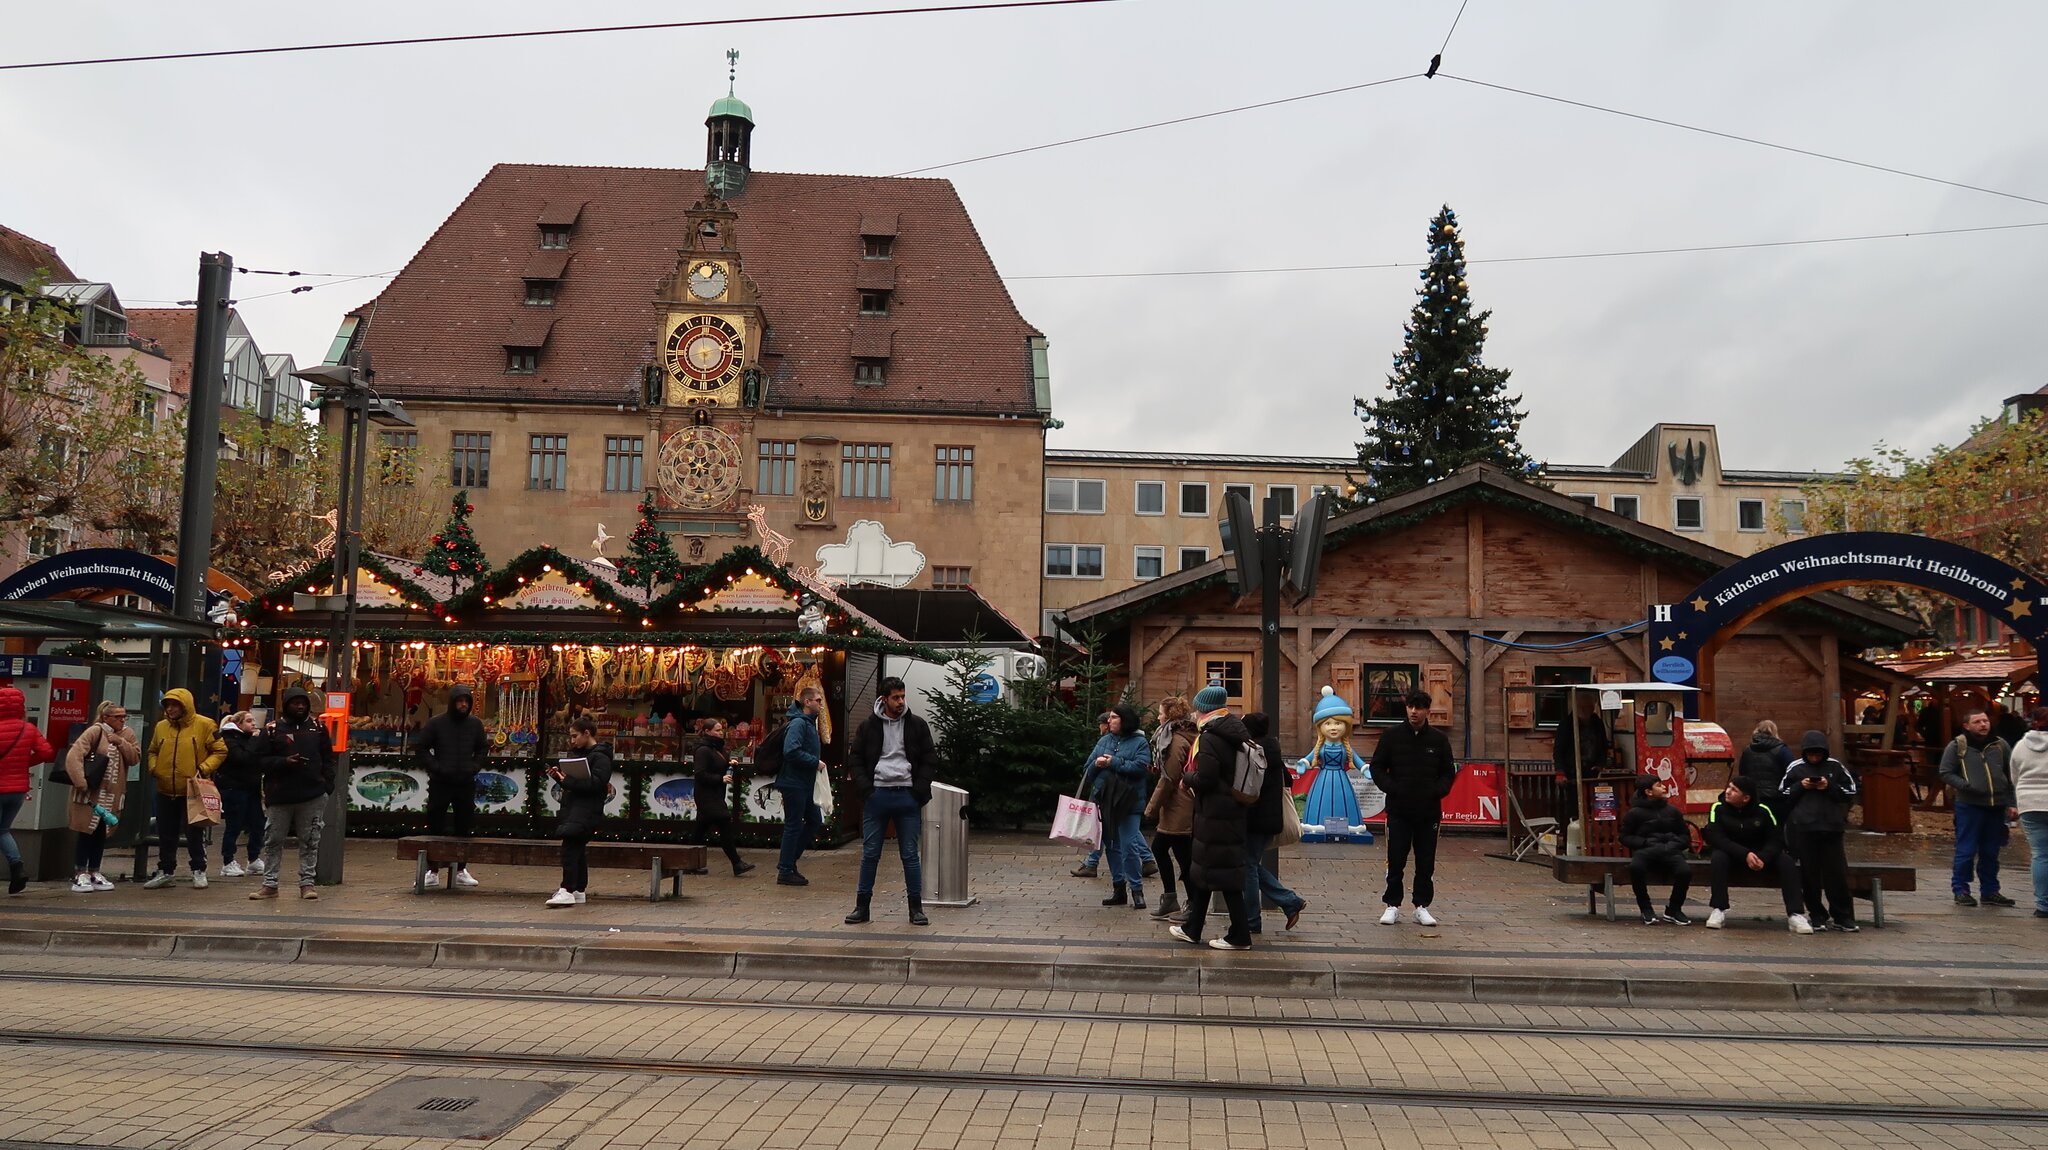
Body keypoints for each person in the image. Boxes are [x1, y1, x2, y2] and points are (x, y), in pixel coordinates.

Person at [844, 676, 940, 926]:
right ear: (883, 699)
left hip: (907, 795)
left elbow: (929, 758)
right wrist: (867, 790)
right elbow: (855, 758)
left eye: (902, 696)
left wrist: (917, 791)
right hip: (877, 795)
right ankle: (862, 907)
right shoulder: (868, 726)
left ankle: (916, 908)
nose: (900, 702)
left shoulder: (916, 725)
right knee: (870, 853)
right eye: (895, 697)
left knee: (910, 854)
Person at [1169, 684, 1254, 950]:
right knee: (1205, 871)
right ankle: (1193, 928)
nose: (1195, 714)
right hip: (1227, 813)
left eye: (1197, 709)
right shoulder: (1233, 731)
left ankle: (1240, 935)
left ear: (1205, 709)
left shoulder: (1210, 737)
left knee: (1225, 877)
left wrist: (1187, 778)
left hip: (1216, 814)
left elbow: (1206, 778)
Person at [1367, 688, 1457, 926]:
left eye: (1419, 708)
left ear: (1428, 711)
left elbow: (1448, 772)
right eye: (1410, 707)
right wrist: (1392, 788)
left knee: (1425, 861)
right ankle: (1392, 904)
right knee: (1396, 859)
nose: (1414, 712)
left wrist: (1436, 791)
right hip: (1399, 810)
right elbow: (1377, 767)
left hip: (1428, 811)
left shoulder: (1438, 739)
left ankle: (1421, 906)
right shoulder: (1391, 736)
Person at [249, 687, 335, 900]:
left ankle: (307, 883)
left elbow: (328, 758)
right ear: (286, 704)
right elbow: (259, 761)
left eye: (303, 702)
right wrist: (283, 762)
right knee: (273, 839)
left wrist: (326, 786)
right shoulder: (272, 729)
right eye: (295, 703)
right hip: (280, 795)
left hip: (312, 794)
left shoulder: (318, 728)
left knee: (310, 840)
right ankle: (270, 884)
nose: (300, 706)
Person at [1702, 777, 1810, 933]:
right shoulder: (1718, 808)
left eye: (1734, 790)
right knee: (1718, 858)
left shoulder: (1763, 810)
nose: (1728, 792)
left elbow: (1776, 839)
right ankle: (1719, 909)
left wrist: (1763, 857)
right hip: (1733, 853)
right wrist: (1745, 854)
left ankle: (1795, 914)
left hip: (1760, 855)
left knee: (1786, 862)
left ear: (1746, 798)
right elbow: (1716, 837)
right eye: (1729, 787)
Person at [142, 688, 225, 890]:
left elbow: (220, 750)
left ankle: (199, 869)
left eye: (174, 705)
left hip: (192, 789)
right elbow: (152, 750)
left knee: (194, 831)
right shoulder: (161, 727)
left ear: (185, 706)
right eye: (167, 705)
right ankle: (166, 870)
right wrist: (155, 768)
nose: (170, 709)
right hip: (165, 788)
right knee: (166, 833)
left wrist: (203, 768)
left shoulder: (205, 724)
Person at [1939, 706, 2018, 908]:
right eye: (1977, 722)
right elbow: (1945, 772)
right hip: (1969, 805)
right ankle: (1961, 890)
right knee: (1966, 850)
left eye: (1985, 721)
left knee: (1991, 851)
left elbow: (2011, 775)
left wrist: (2012, 803)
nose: (1983, 725)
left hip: (1996, 805)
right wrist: (1966, 786)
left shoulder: (2000, 745)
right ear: (1966, 725)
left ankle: (1990, 891)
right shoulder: (1957, 746)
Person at [1781, 729, 1859, 931]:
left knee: (1837, 874)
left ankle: (1843, 915)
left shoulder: (1835, 766)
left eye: (1818, 754)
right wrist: (1801, 786)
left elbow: (1850, 791)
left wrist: (1829, 786)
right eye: (1810, 754)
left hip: (1831, 828)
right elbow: (1783, 792)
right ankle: (1816, 914)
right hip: (1804, 828)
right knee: (1809, 876)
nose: (1814, 758)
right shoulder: (1796, 767)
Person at [1080, 704, 1152, 909]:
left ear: (1125, 720)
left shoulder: (1139, 742)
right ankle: (1118, 888)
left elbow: (1141, 768)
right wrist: (1096, 764)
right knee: (1112, 846)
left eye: (1114, 717)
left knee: (1129, 846)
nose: (1109, 721)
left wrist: (1114, 762)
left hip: (1129, 802)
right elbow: (1087, 770)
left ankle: (1137, 890)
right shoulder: (1104, 740)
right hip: (1105, 800)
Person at [416, 683, 488, 888]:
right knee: (435, 824)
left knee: (463, 825)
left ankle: (460, 869)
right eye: (459, 701)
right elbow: (421, 748)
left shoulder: (475, 724)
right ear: (452, 702)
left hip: (465, 782)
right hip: (441, 782)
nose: (463, 705)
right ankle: (432, 870)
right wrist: (437, 768)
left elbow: (482, 748)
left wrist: (473, 767)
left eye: (466, 701)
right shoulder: (436, 723)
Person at [63, 700, 140, 893]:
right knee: (86, 831)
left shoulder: (128, 734)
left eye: (124, 716)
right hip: (90, 792)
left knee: (101, 832)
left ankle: (94, 871)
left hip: (112, 793)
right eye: (118, 717)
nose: (122, 720)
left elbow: (134, 758)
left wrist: (121, 742)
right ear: (106, 717)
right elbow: (74, 755)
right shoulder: (95, 731)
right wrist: (80, 781)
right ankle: (80, 872)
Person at [1242, 711, 1307, 933]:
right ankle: (1289, 901)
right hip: (1269, 818)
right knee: (1249, 864)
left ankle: (1252, 920)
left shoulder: (1255, 752)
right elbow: (1287, 780)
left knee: (1248, 866)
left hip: (1255, 818)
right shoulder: (1273, 749)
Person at [546, 714, 614, 907]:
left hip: (586, 809)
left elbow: (596, 784)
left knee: (570, 847)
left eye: (575, 736)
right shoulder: (581, 755)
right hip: (577, 808)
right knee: (577, 848)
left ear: (587, 733)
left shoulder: (600, 757)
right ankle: (578, 889)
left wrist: (567, 780)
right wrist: (559, 777)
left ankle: (567, 889)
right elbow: (577, 783)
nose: (572, 740)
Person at [1143, 695, 1199, 922]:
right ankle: (1172, 899)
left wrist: (1151, 808)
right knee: (1164, 849)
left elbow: (1170, 776)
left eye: (1160, 713)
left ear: (1169, 716)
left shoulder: (1176, 739)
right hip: (1177, 804)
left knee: (1182, 856)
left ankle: (1192, 904)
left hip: (1179, 804)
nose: (1158, 717)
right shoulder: (1178, 735)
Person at [0, 686, 56, 894]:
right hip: (18, 790)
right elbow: (47, 753)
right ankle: (17, 869)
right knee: (3, 830)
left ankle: (17, 868)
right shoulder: (28, 729)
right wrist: (25, 763)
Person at [1618, 774, 1693, 925]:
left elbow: (1685, 835)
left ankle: (1674, 910)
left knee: (1685, 871)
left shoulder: (1673, 811)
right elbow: (1625, 837)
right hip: (1646, 850)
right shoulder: (1635, 813)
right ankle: (1646, 909)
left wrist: (1675, 844)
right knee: (1636, 868)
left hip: (1671, 850)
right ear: (1648, 792)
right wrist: (1644, 842)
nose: (1664, 787)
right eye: (1659, 785)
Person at [774, 686, 825, 886]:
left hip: (803, 782)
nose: (821, 704)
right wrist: (814, 762)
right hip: (794, 782)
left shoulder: (808, 723)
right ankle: (786, 869)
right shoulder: (799, 723)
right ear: (807, 702)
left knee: (814, 820)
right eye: (818, 700)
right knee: (794, 825)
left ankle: (787, 862)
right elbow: (791, 751)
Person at [691, 718, 754, 877]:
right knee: (724, 823)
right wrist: (720, 779)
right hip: (707, 796)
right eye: (717, 730)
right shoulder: (703, 750)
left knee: (700, 829)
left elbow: (720, 766)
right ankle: (737, 863)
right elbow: (700, 774)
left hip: (716, 794)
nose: (721, 733)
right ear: (707, 731)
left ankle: (688, 861)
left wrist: (731, 765)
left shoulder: (718, 748)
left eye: (721, 730)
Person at [215, 712, 267, 878]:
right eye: (249, 721)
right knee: (234, 825)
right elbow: (242, 758)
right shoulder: (229, 739)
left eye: (253, 720)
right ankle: (228, 861)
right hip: (234, 788)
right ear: (238, 724)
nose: (253, 724)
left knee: (258, 823)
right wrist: (254, 740)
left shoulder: (248, 739)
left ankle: (254, 858)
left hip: (251, 788)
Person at [2008, 706, 2048, 920]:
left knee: (2041, 854)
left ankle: (2043, 905)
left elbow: (2014, 775)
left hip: (2030, 802)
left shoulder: (2021, 745)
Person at [1551, 692, 1611, 785]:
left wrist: (1600, 764)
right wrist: (1560, 772)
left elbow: (1604, 746)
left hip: (1593, 773)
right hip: (1571, 774)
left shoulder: (1597, 723)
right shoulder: (1566, 724)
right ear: (1577, 707)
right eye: (1583, 707)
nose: (1586, 710)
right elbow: (1559, 750)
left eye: (1588, 707)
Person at [1737, 719, 1795, 813]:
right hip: (1776, 798)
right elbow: (1792, 771)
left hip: (1753, 798)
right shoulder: (1782, 750)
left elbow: (1742, 773)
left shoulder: (1747, 750)